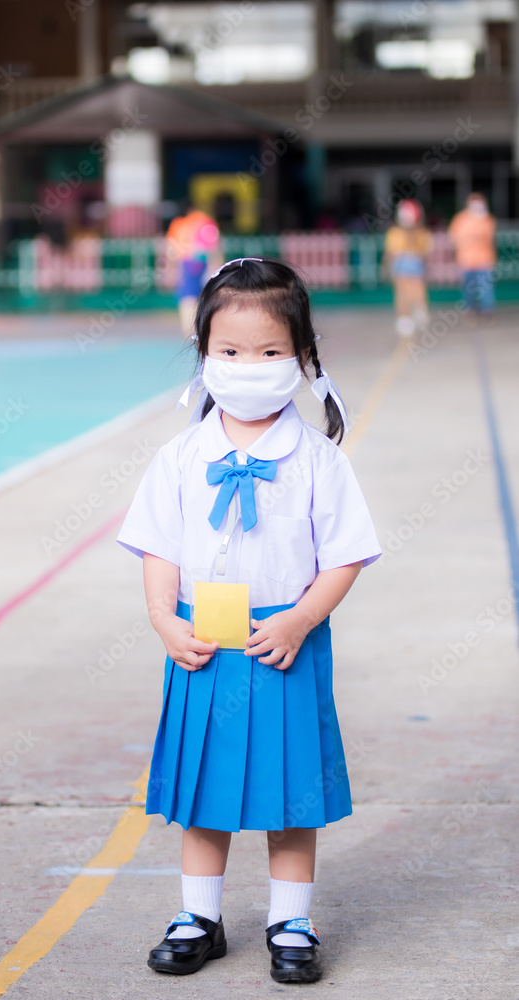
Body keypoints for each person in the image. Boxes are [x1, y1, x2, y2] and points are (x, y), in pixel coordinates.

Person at [117, 258, 381, 983]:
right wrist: (162, 621)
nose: (248, 367)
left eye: (269, 352)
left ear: (300, 359)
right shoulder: (178, 457)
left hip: (283, 641)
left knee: (289, 791)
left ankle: (289, 918)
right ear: (204, 355)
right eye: (229, 352)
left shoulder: (320, 461)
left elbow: (345, 557)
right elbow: (157, 548)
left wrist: (300, 619)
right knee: (205, 786)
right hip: (203, 637)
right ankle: (197, 914)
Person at [166, 203, 220, 337]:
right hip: (203, 260)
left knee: (188, 296)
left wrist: (171, 269)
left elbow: (171, 248)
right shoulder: (205, 221)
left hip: (186, 262)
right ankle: (206, 327)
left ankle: (189, 328)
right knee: (208, 294)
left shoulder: (179, 224)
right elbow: (213, 244)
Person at [383, 199, 433, 337]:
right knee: (402, 293)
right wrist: (388, 268)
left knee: (418, 289)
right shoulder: (394, 232)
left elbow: (425, 252)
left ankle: (419, 311)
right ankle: (403, 318)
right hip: (401, 265)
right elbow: (390, 253)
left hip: (416, 265)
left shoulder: (422, 232)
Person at [448, 192, 497, 318]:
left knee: (485, 288)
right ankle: (470, 312)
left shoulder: (487, 219)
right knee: (468, 289)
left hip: (484, 261)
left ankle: (487, 312)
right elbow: (453, 238)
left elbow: (488, 238)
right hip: (465, 261)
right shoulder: (460, 219)